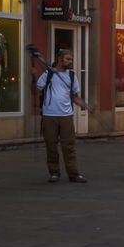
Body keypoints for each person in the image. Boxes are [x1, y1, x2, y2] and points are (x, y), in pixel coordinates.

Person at [35, 48, 90, 183]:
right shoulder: (48, 73)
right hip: (49, 115)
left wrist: (85, 105)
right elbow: (36, 89)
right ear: (60, 59)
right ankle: (54, 173)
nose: (70, 61)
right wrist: (32, 77)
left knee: (69, 146)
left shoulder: (71, 76)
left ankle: (74, 174)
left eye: (71, 59)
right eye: (68, 59)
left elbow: (75, 97)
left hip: (66, 116)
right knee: (51, 146)